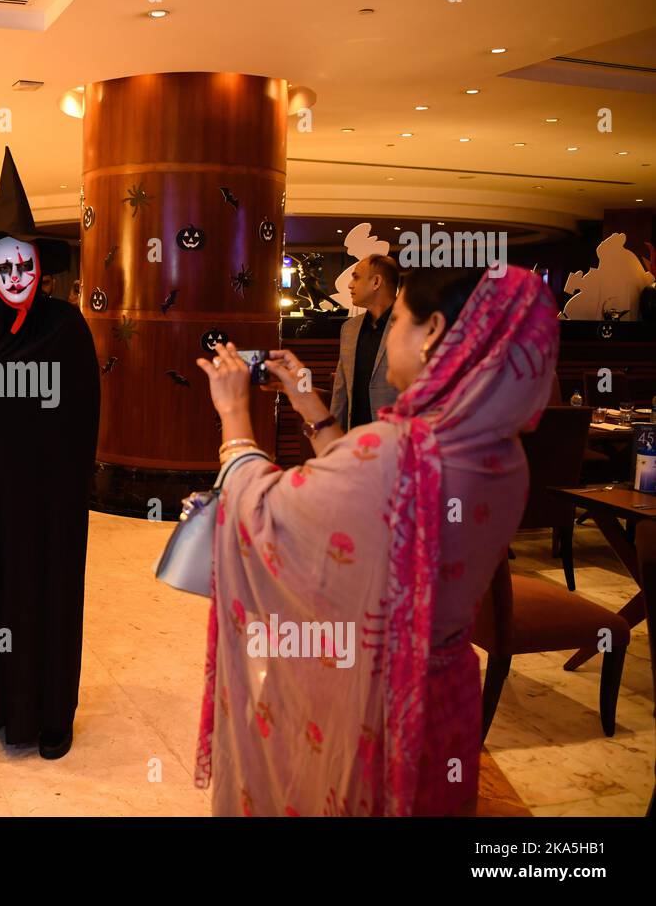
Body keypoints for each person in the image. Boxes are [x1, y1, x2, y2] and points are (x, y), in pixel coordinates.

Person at [192, 264, 559, 816]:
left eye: (398, 323)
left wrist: (233, 415)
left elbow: (267, 512)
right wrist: (309, 404)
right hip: (443, 691)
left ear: (433, 332)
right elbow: (363, 491)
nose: (387, 337)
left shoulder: (399, 451)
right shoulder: (500, 454)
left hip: (374, 694)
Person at [0, 147, 100, 760]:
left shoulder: (65, 326)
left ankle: (52, 710)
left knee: (49, 595)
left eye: (23, 262)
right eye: (3, 264)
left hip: (46, 498)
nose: (13, 274)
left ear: (40, 266)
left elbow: (81, 415)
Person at [329, 253, 400, 430]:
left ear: (376, 282)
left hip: (396, 438)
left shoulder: (408, 324)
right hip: (356, 439)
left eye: (356, 277)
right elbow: (341, 390)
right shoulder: (349, 328)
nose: (350, 285)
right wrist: (333, 441)